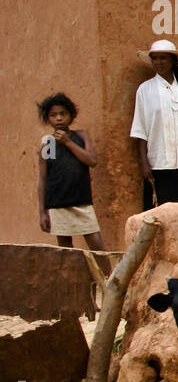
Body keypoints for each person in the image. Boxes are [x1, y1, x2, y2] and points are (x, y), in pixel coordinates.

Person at [35, 92, 111, 274]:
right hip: (58, 204)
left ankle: (110, 283)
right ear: (48, 119)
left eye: (63, 113)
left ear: (71, 115)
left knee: (97, 245)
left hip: (82, 202)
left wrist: (68, 142)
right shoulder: (48, 144)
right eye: (53, 115)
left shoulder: (81, 136)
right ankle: (72, 286)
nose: (59, 118)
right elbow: (43, 178)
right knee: (66, 250)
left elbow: (91, 161)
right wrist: (42, 212)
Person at [130, 38, 178, 210]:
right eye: (155, 58)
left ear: (173, 60)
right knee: (158, 215)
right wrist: (144, 163)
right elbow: (140, 130)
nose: (158, 62)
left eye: (163, 58)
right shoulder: (145, 90)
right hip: (158, 166)